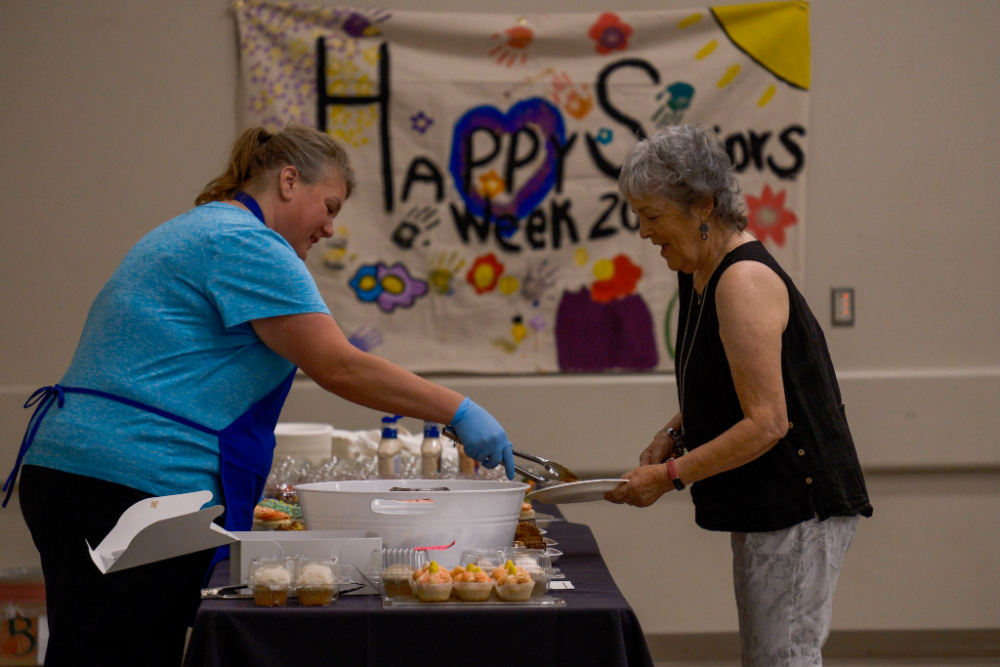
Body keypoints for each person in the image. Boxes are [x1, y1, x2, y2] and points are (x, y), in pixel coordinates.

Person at [3, 125, 514, 667]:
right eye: (330, 206)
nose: (331, 228)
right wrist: (457, 409)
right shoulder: (247, 243)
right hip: (125, 487)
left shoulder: (203, 229)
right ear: (289, 181)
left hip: (86, 474)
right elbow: (339, 366)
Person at [605, 124, 873, 666]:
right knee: (768, 658)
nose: (643, 232)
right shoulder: (700, 270)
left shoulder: (742, 280)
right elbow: (726, 384)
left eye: (652, 216)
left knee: (784, 659)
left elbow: (767, 421)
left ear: (702, 205)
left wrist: (669, 476)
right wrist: (673, 433)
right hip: (769, 502)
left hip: (799, 505)